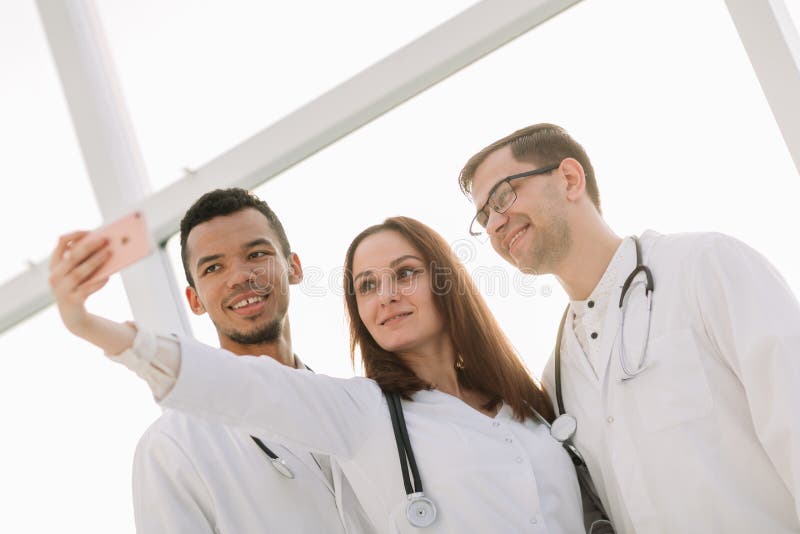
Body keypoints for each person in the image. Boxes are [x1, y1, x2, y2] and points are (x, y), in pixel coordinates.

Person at [50, 215, 589, 533]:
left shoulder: (530, 398)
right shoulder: (362, 410)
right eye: (367, 286)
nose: (388, 296)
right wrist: (95, 328)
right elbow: (241, 386)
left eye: (405, 274)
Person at [457, 123, 800, 533]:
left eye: (503, 196)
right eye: (484, 215)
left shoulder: (706, 267)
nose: (495, 222)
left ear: (569, 179)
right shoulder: (558, 376)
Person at [50, 188, 367, 533]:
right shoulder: (171, 449)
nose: (240, 277)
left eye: (257, 254)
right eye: (214, 267)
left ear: (293, 267)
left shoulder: (357, 407)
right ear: (194, 299)